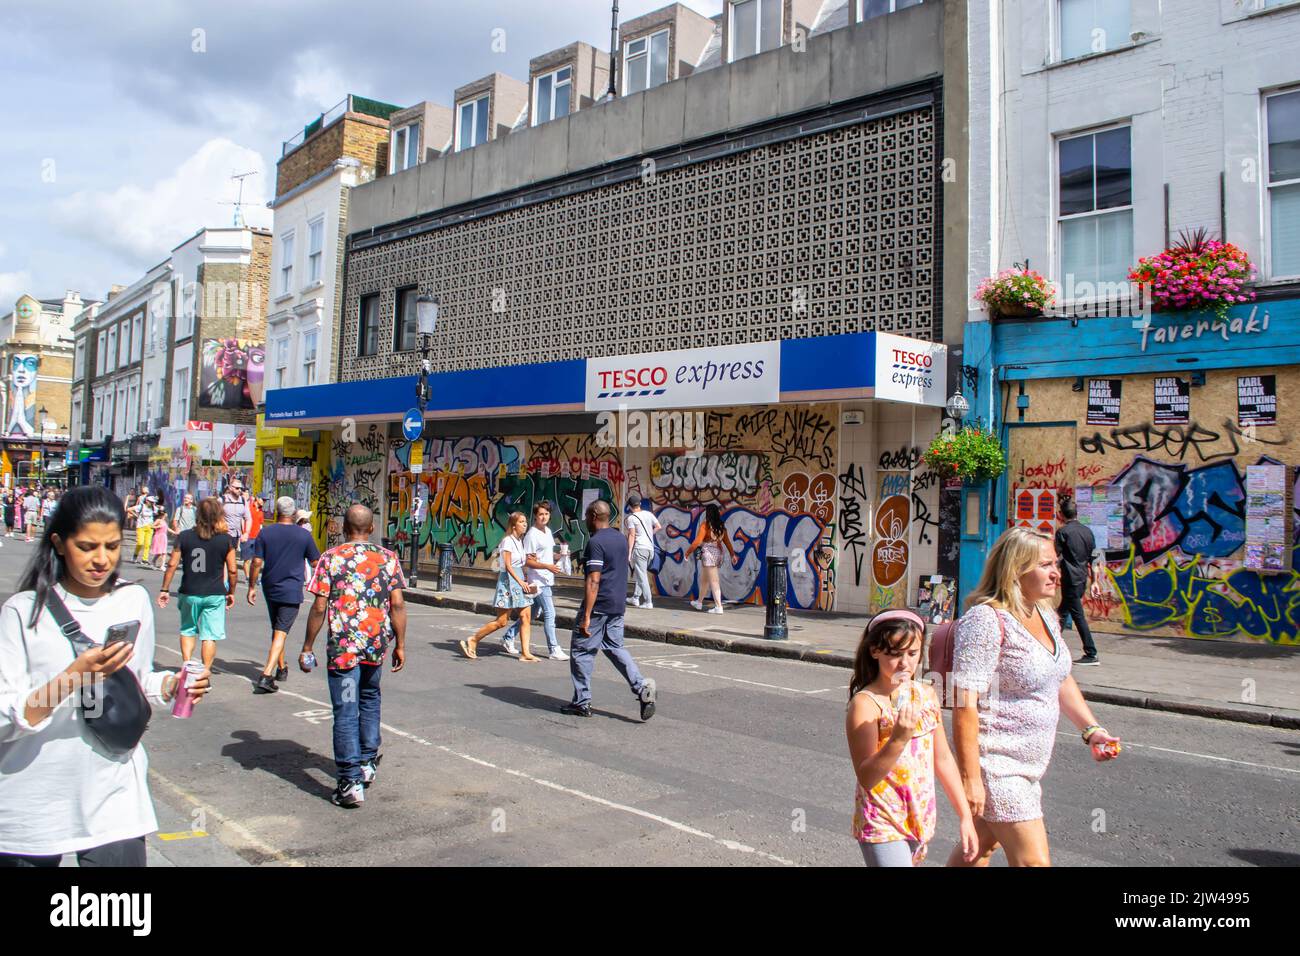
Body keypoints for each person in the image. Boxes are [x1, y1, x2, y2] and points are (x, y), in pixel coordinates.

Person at [0, 485, 211, 866]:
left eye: (112, 547)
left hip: (114, 800)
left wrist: (171, 685)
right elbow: (4, 718)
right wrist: (73, 676)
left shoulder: (131, 600)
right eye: (87, 547)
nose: (101, 560)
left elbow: (138, 681)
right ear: (59, 543)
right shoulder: (22, 612)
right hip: (29, 806)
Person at [948, 527, 1121, 868]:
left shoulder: (1044, 613)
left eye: (1055, 563)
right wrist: (970, 779)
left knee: (979, 848)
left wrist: (1091, 729)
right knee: (1034, 863)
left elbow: (1058, 676)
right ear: (1015, 569)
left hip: (1030, 766)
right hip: (997, 764)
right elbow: (964, 701)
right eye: (1045, 565)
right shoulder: (986, 620)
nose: (1057, 572)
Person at [846, 609, 978, 866]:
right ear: (875, 651)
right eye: (895, 653)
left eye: (912, 653)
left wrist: (965, 817)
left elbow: (943, 759)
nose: (904, 663)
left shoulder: (926, 695)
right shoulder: (866, 704)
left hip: (919, 818)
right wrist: (898, 739)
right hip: (882, 820)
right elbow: (866, 776)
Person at [300, 505, 407, 809]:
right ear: (371, 529)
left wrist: (307, 645)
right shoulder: (388, 559)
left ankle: (349, 780)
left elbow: (320, 607)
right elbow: (397, 604)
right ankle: (367, 762)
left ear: (343, 528)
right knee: (370, 698)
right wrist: (400, 643)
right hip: (375, 646)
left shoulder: (330, 558)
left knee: (347, 710)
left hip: (345, 650)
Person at [561, 499, 657, 721]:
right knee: (614, 647)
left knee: (582, 650)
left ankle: (581, 702)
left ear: (594, 515)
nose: (584, 520)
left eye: (586, 515)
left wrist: (586, 616)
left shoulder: (596, 542)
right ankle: (641, 686)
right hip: (617, 604)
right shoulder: (620, 538)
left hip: (599, 605)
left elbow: (594, 580)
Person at [248, 496, 322, 694]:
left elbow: (256, 562)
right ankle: (266, 675)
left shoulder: (266, 533)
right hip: (290, 588)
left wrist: (252, 586)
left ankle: (282, 668)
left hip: (270, 586)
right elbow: (316, 562)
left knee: (278, 628)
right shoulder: (303, 536)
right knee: (281, 630)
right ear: (293, 512)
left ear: (278, 511)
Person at [159, 497, 236, 672]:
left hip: (189, 591)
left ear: (197, 514)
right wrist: (231, 592)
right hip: (215, 594)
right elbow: (232, 570)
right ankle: (205, 672)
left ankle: (187, 665)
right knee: (209, 636)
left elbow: (171, 564)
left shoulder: (184, 537)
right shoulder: (226, 540)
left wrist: (165, 589)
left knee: (188, 630)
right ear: (219, 515)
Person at [459, 512, 540, 661]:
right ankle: (473, 640)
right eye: (521, 522)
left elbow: (519, 564)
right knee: (502, 621)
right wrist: (520, 581)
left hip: (519, 579)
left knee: (526, 616)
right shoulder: (508, 541)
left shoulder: (519, 541)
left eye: (525, 522)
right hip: (508, 582)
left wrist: (526, 577)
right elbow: (508, 566)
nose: (525, 524)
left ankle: (526, 653)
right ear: (513, 525)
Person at [500, 502, 569, 661]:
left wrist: (562, 556)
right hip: (537, 580)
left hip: (546, 577)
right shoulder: (532, 534)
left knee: (531, 614)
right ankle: (554, 649)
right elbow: (528, 561)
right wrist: (547, 566)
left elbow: (548, 555)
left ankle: (508, 637)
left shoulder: (548, 531)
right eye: (540, 514)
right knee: (550, 613)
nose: (543, 517)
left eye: (546, 514)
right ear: (536, 516)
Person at [1054, 497, 1101, 665]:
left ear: (1061, 514)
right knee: (1061, 614)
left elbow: (1055, 557)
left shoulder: (1062, 532)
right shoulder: (1088, 532)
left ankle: (1091, 652)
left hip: (1070, 579)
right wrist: (1095, 582)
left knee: (1077, 615)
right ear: (1076, 514)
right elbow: (1094, 558)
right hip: (1082, 579)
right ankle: (1051, 647)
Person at [683, 503, 735, 614]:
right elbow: (727, 542)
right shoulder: (721, 526)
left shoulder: (705, 525)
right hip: (718, 554)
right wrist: (732, 554)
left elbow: (697, 541)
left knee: (714, 581)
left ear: (708, 513)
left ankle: (718, 606)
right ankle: (699, 602)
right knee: (705, 580)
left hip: (708, 555)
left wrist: (687, 552)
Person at [625, 493, 662, 609]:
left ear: (630, 507)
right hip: (650, 549)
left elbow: (632, 536)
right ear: (639, 504)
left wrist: (629, 552)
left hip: (640, 548)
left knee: (642, 575)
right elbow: (658, 526)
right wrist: (651, 534)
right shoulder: (648, 514)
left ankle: (648, 601)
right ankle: (635, 598)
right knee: (641, 574)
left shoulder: (631, 518)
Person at [220, 479, 250, 582]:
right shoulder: (223, 500)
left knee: (230, 561)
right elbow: (214, 515)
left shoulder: (243, 501)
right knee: (224, 559)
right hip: (223, 535)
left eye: (241, 488)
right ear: (230, 488)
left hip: (235, 536)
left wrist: (246, 533)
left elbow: (248, 518)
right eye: (237, 488)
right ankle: (224, 582)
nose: (239, 490)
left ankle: (226, 581)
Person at [242, 494, 265, 586]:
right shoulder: (248, 508)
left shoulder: (261, 511)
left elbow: (260, 525)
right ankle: (248, 577)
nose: (264, 501)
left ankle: (255, 577)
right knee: (247, 559)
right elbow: (243, 520)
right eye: (263, 499)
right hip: (248, 536)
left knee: (257, 559)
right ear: (257, 498)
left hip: (257, 538)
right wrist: (243, 533)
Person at [133, 493, 156, 565]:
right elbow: (129, 509)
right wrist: (136, 516)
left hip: (150, 527)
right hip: (141, 526)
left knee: (148, 544)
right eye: (151, 502)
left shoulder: (153, 507)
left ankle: (144, 559)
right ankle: (135, 555)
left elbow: (162, 513)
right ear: (147, 501)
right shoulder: (141, 506)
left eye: (153, 502)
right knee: (140, 542)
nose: (152, 503)